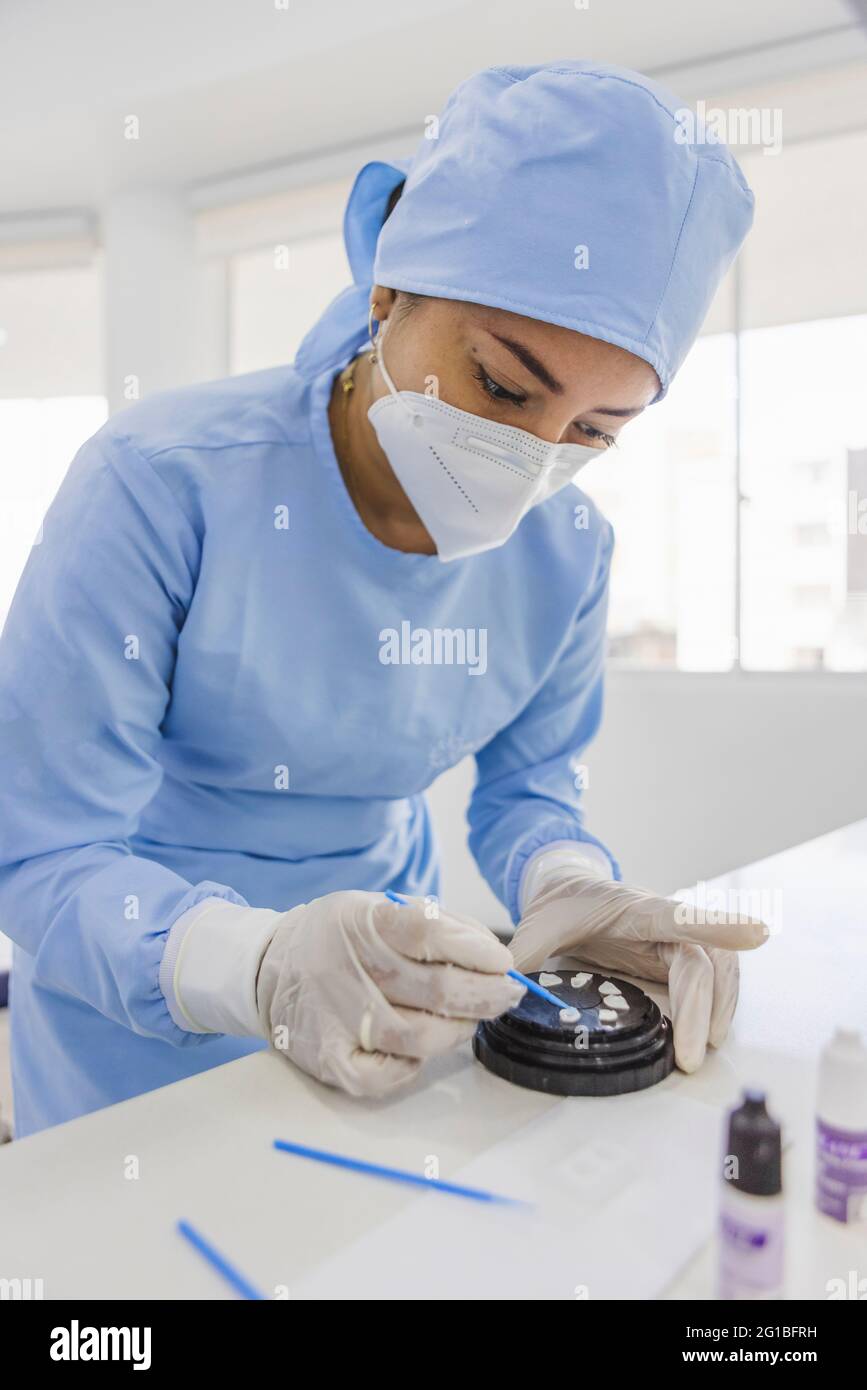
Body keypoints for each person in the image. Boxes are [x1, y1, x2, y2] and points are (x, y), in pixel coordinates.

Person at [0, 61, 765, 1136]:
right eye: (504, 385)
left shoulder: (569, 553)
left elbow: (530, 786)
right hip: (125, 1035)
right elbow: (43, 849)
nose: (532, 458)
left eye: (595, 432)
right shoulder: (161, 481)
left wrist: (565, 883)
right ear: (389, 290)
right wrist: (254, 962)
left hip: (388, 1014)